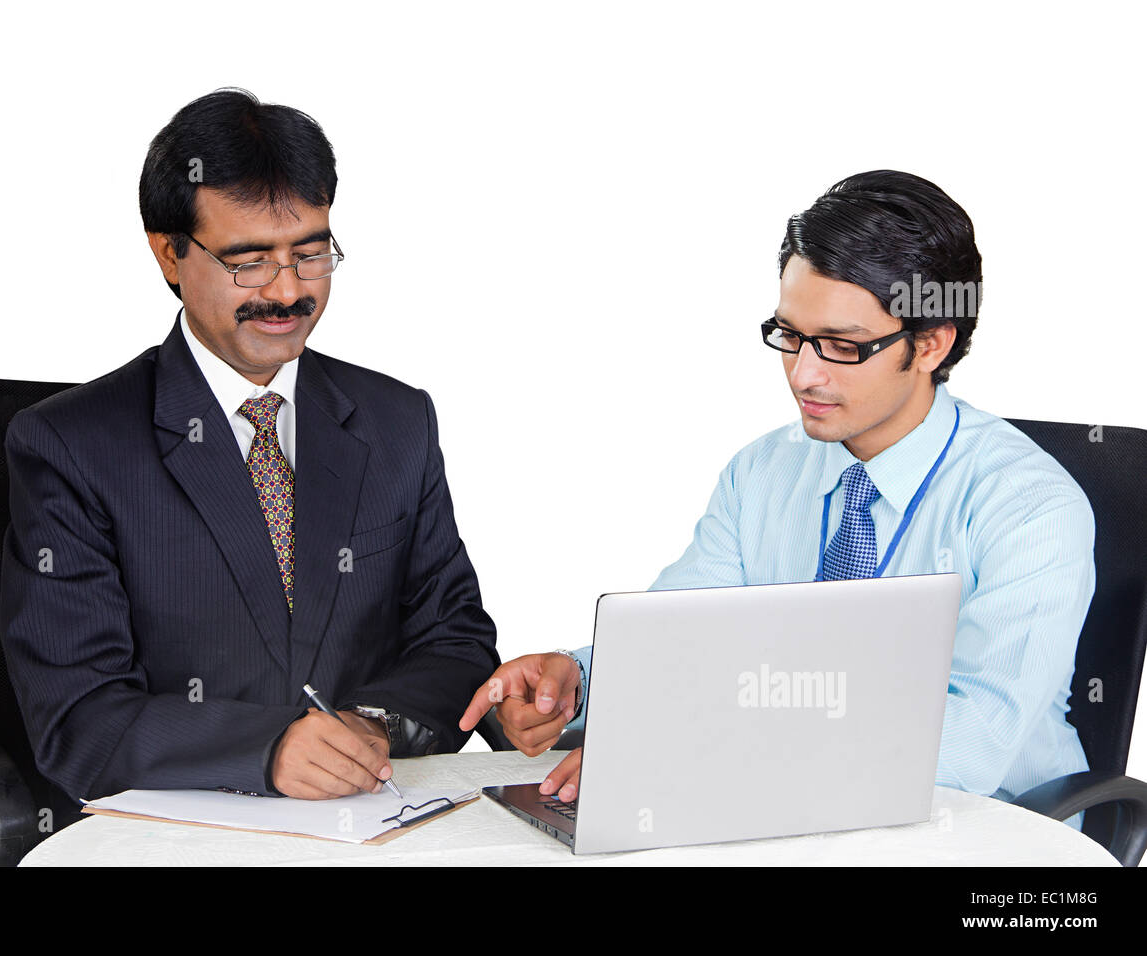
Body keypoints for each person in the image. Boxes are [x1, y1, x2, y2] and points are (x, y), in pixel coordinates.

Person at [460, 170, 1094, 829]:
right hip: (791, 821)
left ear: (931, 343)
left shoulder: (1032, 510)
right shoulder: (764, 471)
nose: (804, 373)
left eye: (843, 345)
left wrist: (709, 752)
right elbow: (683, 637)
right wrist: (579, 683)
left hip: (981, 834)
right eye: (790, 334)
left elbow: (974, 741)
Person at [0, 88, 499, 804]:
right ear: (170, 254)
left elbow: (455, 644)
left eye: (311, 252)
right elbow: (79, 719)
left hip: (372, 821)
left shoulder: (397, 421)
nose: (289, 290)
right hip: (176, 836)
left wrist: (367, 726)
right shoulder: (69, 446)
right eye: (249, 261)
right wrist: (266, 751)